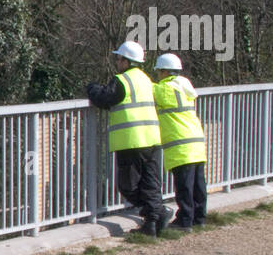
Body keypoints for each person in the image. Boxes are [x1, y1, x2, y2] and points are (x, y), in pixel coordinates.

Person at [86, 42, 170, 236]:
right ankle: (152, 224)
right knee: (150, 184)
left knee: (128, 186)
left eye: (119, 58)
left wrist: (91, 88)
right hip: (152, 138)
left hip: (131, 140)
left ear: (126, 61)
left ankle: (157, 213)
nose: (117, 62)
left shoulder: (122, 80)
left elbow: (105, 99)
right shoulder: (146, 79)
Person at [152, 53, 208, 230]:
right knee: (198, 185)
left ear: (164, 72)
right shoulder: (185, 87)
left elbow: (147, 90)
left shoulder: (166, 88)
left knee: (184, 186)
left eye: (159, 72)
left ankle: (185, 220)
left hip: (180, 144)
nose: (157, 75)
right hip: (196, 142)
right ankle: (199, 218)